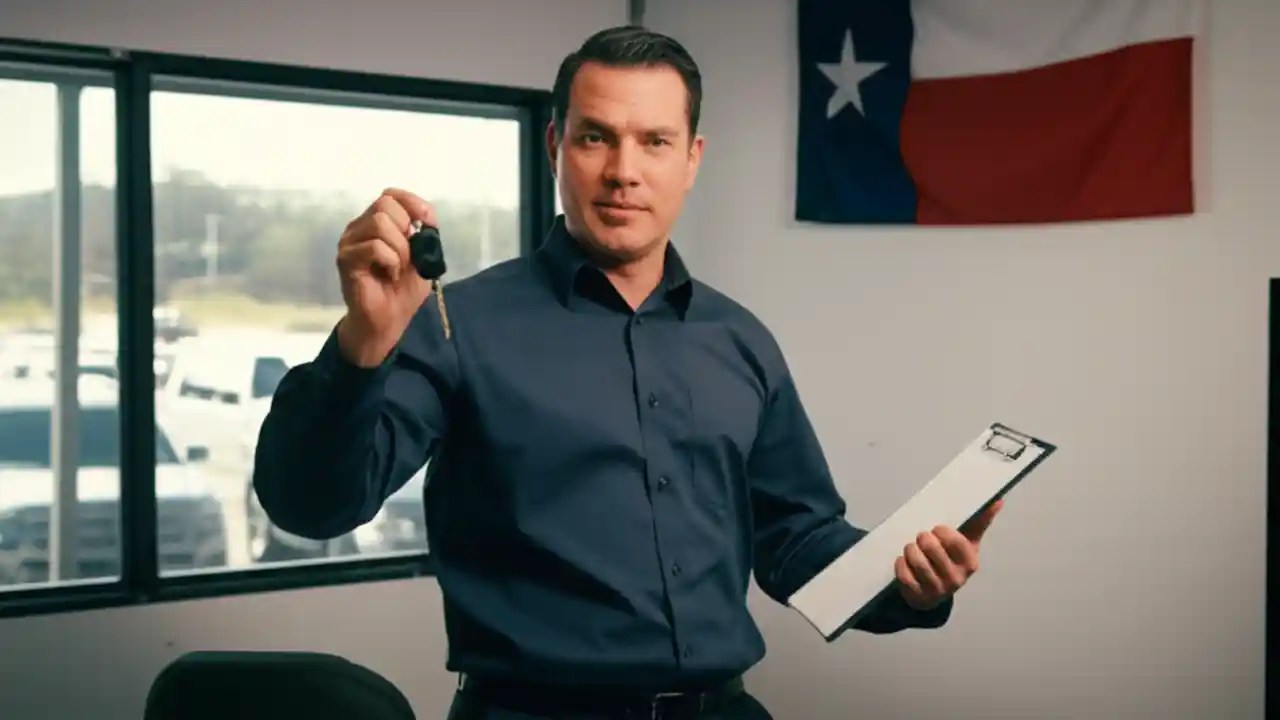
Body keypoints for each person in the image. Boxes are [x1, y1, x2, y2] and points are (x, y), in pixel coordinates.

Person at [252, 24, 1003, 720]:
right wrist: (362, 342)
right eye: (595, 138)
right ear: (555, 146)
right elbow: (311, 506)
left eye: (654, 141)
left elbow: (797, 541)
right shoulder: (455, 327)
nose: (623, 172)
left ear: (692, 159)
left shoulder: (741, 341)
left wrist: (905, 580)